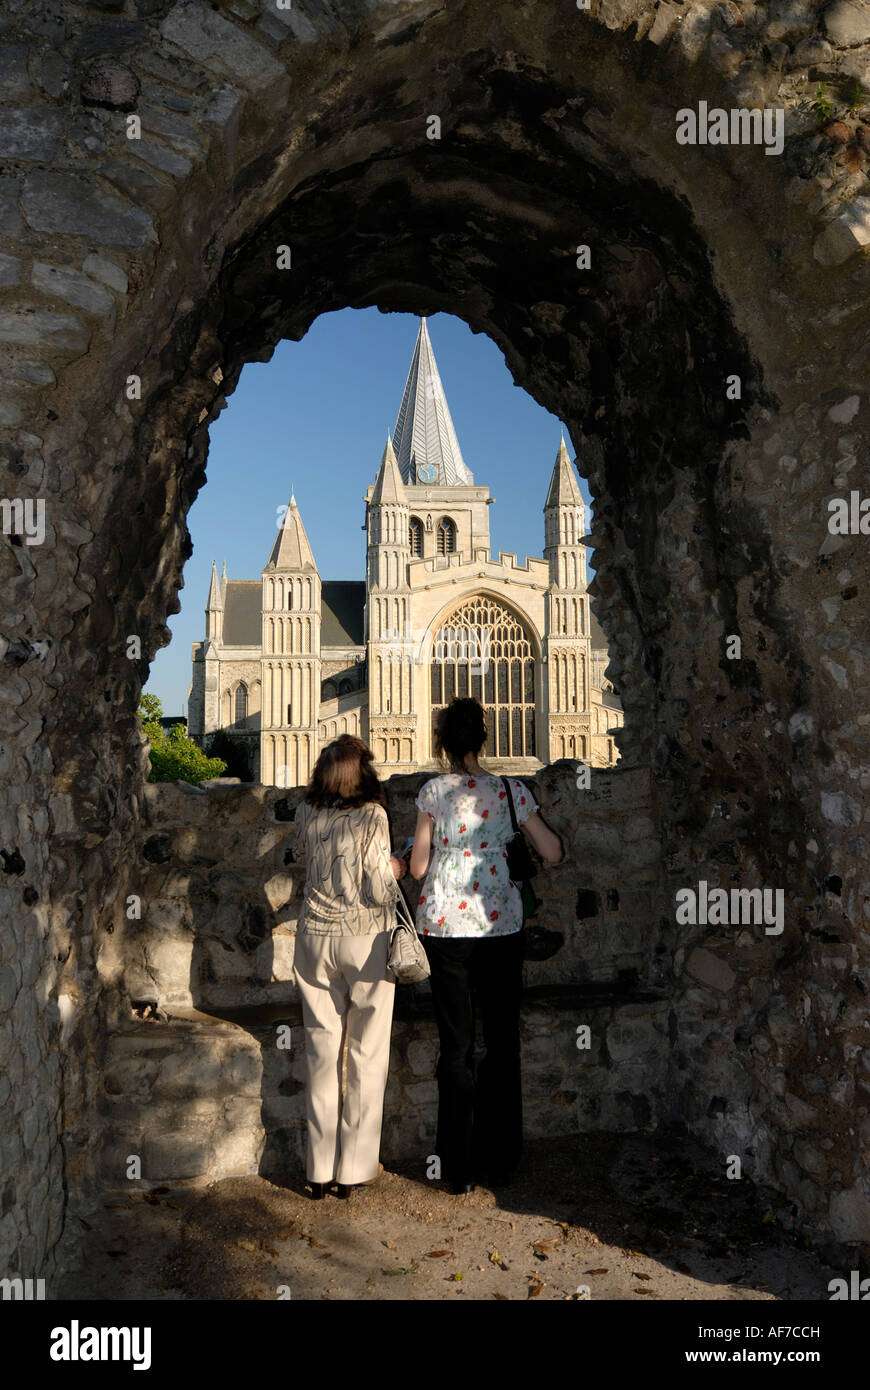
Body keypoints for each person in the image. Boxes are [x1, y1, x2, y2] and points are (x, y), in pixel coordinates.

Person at [408, 697, 563, 1194]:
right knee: (501, 1043)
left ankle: (454, 1167)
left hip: (445, 930)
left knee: (456, 1049)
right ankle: (499, 1162)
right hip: (500, 930)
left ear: (443, 745)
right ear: (483, 740)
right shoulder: (512, 791)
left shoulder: (434, 791)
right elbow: (553, 852)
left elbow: (415, 868)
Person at [291, 735, 407, 1200]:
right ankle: (353, 1170)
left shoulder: (305, 812)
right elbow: (379, 888)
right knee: (365, 1054)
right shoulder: (373, 815)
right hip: (365, 940)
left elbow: (299, 861)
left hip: (315, 938)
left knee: (321, 1055)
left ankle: (318, 1171)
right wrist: (396, 867)